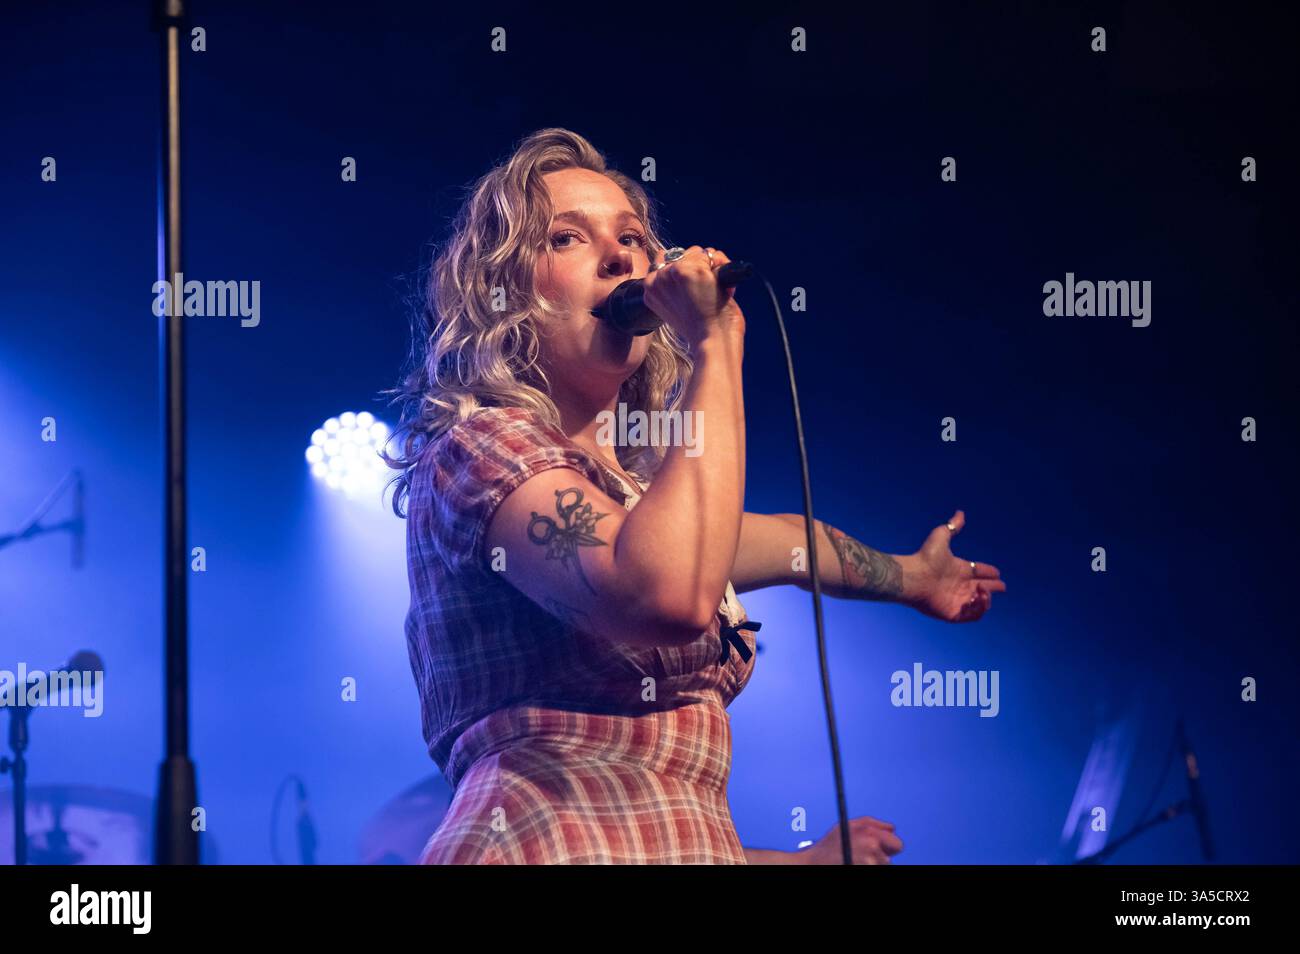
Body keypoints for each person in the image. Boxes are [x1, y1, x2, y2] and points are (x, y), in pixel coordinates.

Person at [383, 128, 1006, 864]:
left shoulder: (636, 501)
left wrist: (912, 577)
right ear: (504, 293)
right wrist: (714, 347)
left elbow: (792, 542)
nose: (621, 256)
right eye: (566, 238)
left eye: (633, 238)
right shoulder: (479, 448)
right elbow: (669, 595)